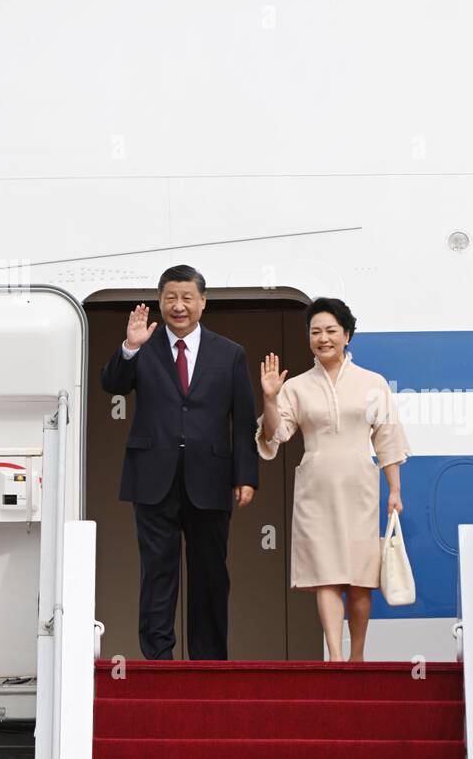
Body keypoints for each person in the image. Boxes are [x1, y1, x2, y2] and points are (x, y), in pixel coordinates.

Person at [99, 265, 259, 660]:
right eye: (170, 297)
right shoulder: (144, 346)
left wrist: (246, 476)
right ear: (160, 301)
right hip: (153, 476)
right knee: (158, 570)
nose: (179, 306)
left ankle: (208, 662)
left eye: (187, 297)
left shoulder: (230, 353)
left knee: (210, 573)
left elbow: (242, 422)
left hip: (211, 476)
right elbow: (112, 384)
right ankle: (158, 661)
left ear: (203, 302)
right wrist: (130, 348)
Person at [256, 298, 410, 661]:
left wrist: (395, 490)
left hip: (359, 484)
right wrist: (269, 399)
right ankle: (335, 659)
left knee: (359, 579)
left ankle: (357, 656)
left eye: (330, 331)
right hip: (315, 487)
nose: (323, 338)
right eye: (315, 332)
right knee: (325, 574)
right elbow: (275, 435)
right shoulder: (295, 386)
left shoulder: (372, 383)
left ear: (347, 335)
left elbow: (387, 438)